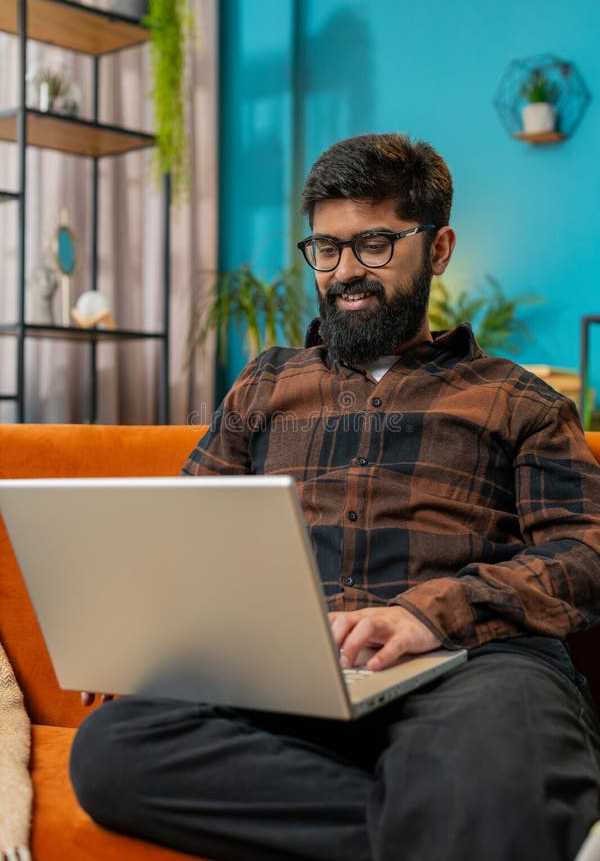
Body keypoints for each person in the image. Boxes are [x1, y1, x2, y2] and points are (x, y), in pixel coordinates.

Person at [70, 133, 600, 861]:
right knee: (113, 750)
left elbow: (585, 554)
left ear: (438, 248)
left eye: (375, 244)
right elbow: (182, 531)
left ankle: (462, 801)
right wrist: (137, 640)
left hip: (473, 666)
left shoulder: (518, 400)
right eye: (326, 248)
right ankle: (445, 819)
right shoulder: (266, 384)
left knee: (487, 768)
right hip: (288, 670)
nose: (346, 271)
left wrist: (433, 612)